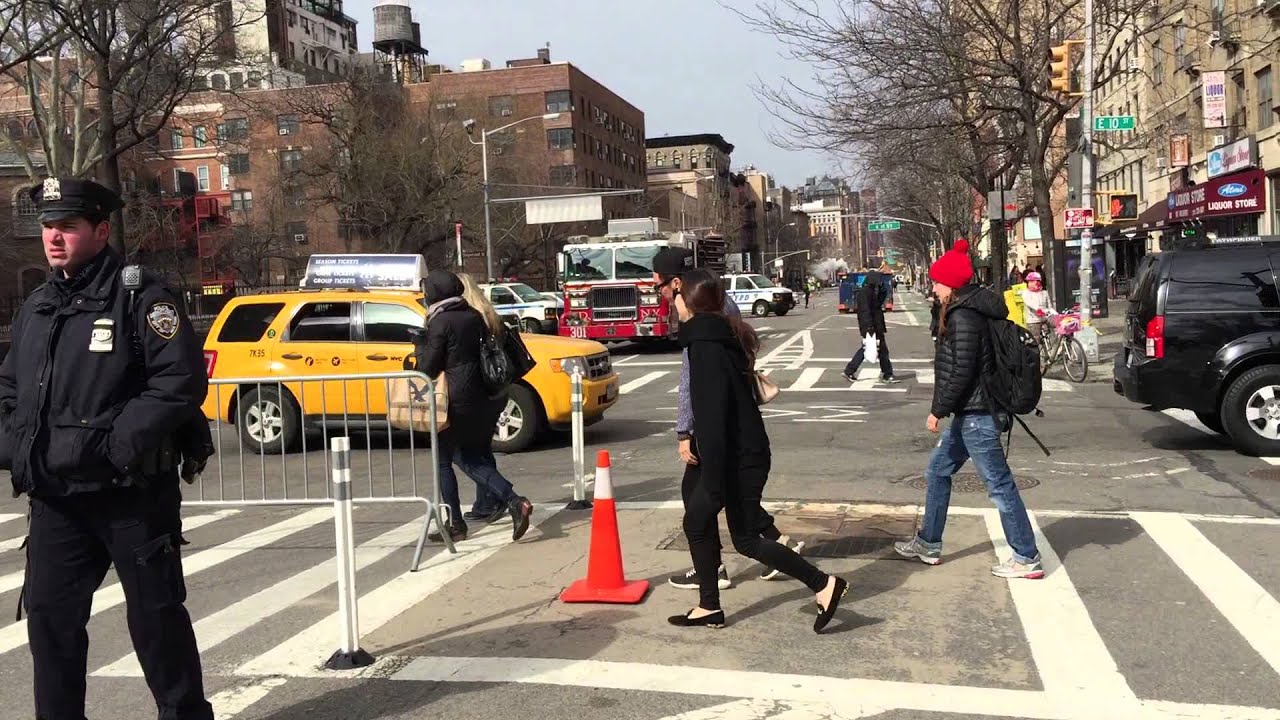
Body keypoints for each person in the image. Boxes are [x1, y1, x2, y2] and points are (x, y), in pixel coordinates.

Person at [0, 177, 215, 719]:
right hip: (56, 497)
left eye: (67, 226)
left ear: (99, 229)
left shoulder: (142, 297)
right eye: (49, 226)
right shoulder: (38, 305)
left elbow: (178, 383)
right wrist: (15, 448)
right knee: (50, 622)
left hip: (131, 494)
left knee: (156, 619)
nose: (54, 237)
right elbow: (9, 390)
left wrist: (116, 447)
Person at [671, 269, 847, 631]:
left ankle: (824, 584)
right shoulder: (717, 335)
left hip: (738, 457)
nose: (672, 303)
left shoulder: (704, 346)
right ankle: (709, 606)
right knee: (714, 527)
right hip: (741, 452)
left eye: (677, 296)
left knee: (733, 534)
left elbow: (714, 418)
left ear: (688, 303)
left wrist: (714, 482)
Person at [651, 248, 803, 591]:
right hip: (737, 430)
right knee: (729, 507)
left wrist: (684, 432)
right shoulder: (716, 302)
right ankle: (714, 586)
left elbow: (694, 384)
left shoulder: (700, 326)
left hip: (724, 436)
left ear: (677, 285)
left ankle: (719, 572)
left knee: (712, 508)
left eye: (659, 286)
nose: (659, 294)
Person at [894, 240, 1044, 579]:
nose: (932, 288)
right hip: (972, 414)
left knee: (999, 485)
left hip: (978, 415)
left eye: (936, 283)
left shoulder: (964, 316)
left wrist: (938, 410)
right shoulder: (967, 308)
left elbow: (961, 370)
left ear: (952, 284)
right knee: (937, 472)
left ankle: (1026, 556)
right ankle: (929, 542)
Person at [416, 269, 533, 543]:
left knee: (448, 460)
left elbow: (428, 368)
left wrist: (419, 343)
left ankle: (461, 521)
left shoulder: (440, 323)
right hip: (482, 395)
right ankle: (508, 502)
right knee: (472, 456)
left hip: (455, 400)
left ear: (436, 293)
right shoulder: (474, 316)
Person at [842, 265, 899, 384]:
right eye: (878, 279)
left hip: (875, 326)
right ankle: (886, 374)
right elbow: (864, 311)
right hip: (872, 326)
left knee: (876, 349)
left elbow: (879, 302)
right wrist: (869, 327)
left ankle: (850, 370)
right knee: (875, 350)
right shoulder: (865, 293)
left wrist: (883, 289)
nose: (879, 281)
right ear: (873, 280)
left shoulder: (871, 291)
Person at [1019, 271, 1056, 341]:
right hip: (1033, 321)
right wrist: (1038, 309)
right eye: (1033, 281)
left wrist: (1055, 314)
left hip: (1045, 318)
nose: (1036, 283)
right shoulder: (1026, 293)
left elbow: (1049, 307)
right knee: (1035, 342)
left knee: (1058, 325)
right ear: (1028, 282)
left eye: (1038, 281)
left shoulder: (1044, 293)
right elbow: (1030, 303)